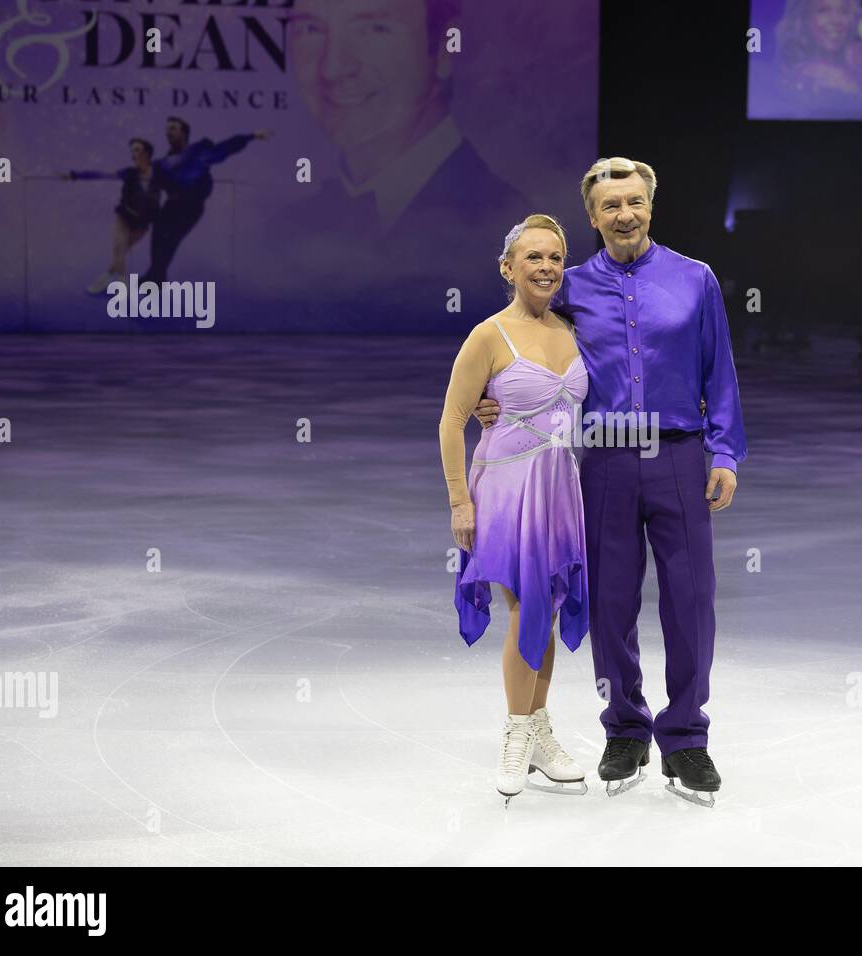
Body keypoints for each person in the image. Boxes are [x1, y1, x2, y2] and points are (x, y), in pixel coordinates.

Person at [475, 158, 747, 808]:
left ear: (650, 205)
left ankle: (685, 738)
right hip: (602, 461)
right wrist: (493, 398)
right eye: (609, 206)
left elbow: (722, 373)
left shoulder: (696, 280)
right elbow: (517, 337)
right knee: (610, 604)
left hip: (680, 456)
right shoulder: (566, 287)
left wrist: (726, 452)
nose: (623, 214)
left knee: (690, 601)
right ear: (592, 218)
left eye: (633, 202)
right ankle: (625, 726)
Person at [439, 214, 589, 805]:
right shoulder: (488, 336)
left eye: (555, 257)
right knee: (529, 605)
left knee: (546, 605)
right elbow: (452, 418)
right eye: (534, 258)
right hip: (504, 487)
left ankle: (539, 729)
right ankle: (517, 733)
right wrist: (458, 499)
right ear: (508, 268)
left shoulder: (573, 330)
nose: (547, 267)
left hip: (559, 488)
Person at [286, 0, 531, 321]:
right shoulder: (285, 229)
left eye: (373, 29)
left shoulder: (510, 230)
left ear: (444, 49)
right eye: (311, 29)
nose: (332, 69)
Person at [146, 117, 270, 283]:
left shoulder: (199, 151)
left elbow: (224, 149)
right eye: (167, 128)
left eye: (173, 128)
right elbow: (154, 187)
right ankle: (155, 277)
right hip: (171, 204)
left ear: (184, 133)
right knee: (158, 238)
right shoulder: (161, 164)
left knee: (171, 240)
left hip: (190, 206)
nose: (168, 132)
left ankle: (155, 278)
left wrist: (250, 136)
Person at [62, 138, 164, 294]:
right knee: (119, 250)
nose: (133, 154)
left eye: (137, 150)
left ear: (147, 154)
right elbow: (101, 175)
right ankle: (123, 285)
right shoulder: (129, 173)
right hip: (123, 219)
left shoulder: (159, 175)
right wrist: (74, 175)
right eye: (132, 151)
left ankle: (105, 278)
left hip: (142, 225)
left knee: (120, 254)